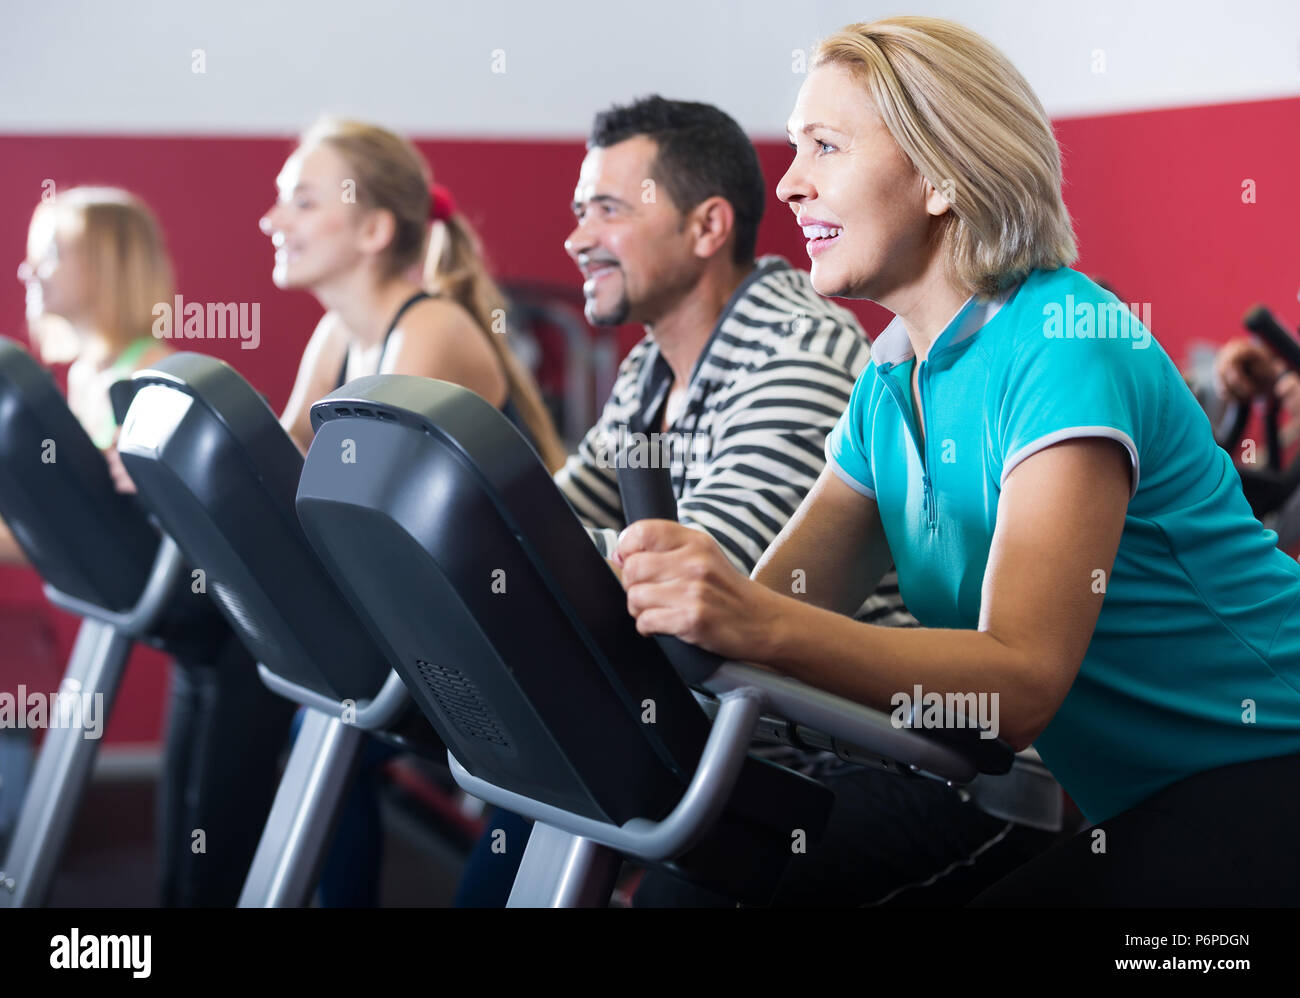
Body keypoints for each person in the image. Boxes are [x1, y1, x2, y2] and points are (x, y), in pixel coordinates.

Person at [614, 17, 1300, 906]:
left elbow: (1015, 688)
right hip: (1144, 807)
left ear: (942, 173)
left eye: (825, 146)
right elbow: (783, 609)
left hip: (1270, 763)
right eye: (795, 148)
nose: (788, 184)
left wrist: (752, 621)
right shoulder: (889, 380)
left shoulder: (1060, 341)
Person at [454, 95, 1059, 908]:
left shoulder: (802, 360)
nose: (575, 236)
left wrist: (487, 554)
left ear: (706, 229)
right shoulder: (660, 369)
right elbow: (568, 531)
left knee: (672, 885)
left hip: (890, 756)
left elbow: (708, 601)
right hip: (763, 727)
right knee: (531, 808)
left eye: (606, 209)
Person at [256, 117, 566, 906]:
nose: (272, 220)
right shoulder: (337, 336)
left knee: (330, 729)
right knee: (315, 728)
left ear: (374, 227)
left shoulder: (427, 331)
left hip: (521, 654)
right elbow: (278, 467)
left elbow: (356, 519)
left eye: (300, 200)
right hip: (434, 631)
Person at [1, 188, 284, 907]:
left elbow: (76, 528)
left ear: (105, 265)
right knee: (180, 857)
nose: (28, 270)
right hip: (197, 647)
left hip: (245, 643)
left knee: (215, 859)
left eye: (52, 253)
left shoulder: (142, 375)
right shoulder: (89, 376)